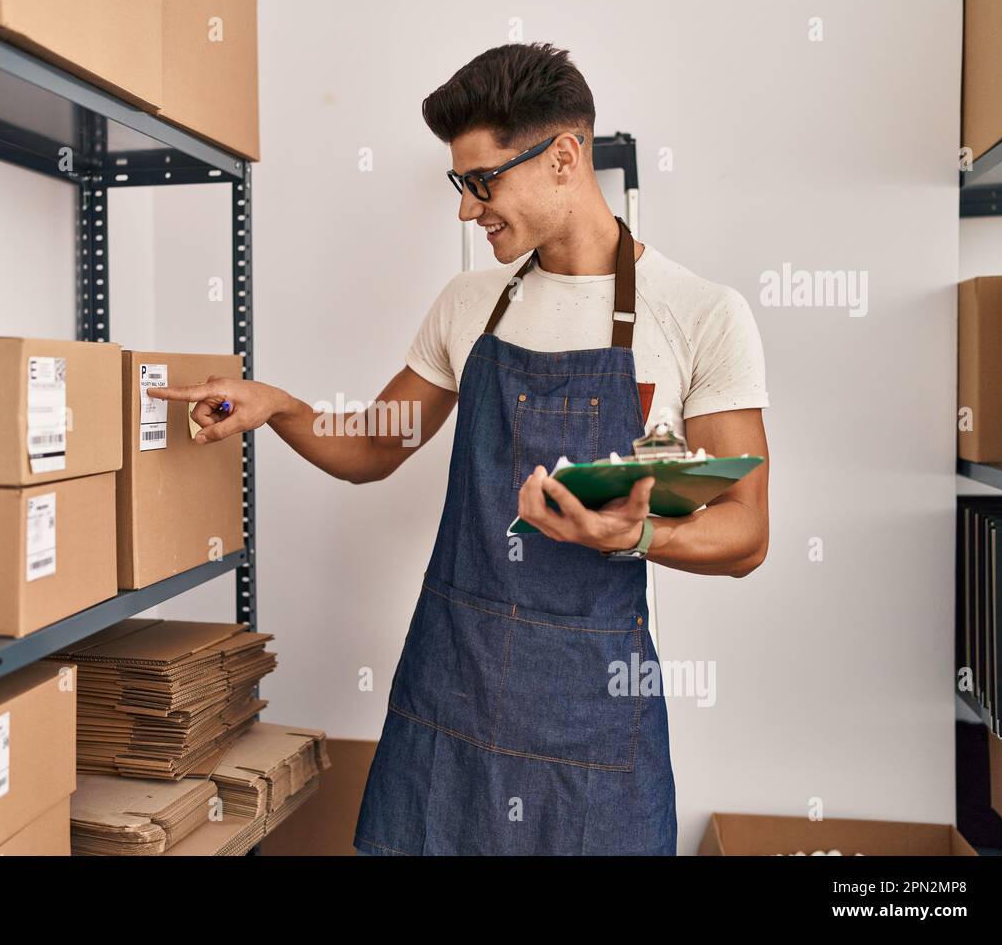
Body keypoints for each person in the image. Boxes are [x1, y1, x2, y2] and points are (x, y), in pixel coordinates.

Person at [147, 42, 770, 856]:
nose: (468, 211)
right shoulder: (470, 304)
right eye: (460, 186)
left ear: (564, 157)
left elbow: (746, 533)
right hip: (454, 682)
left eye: (482, 184)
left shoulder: (698, 315)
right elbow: (375, 447)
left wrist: (638, 534)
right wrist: (281, 407)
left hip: (594, 709)